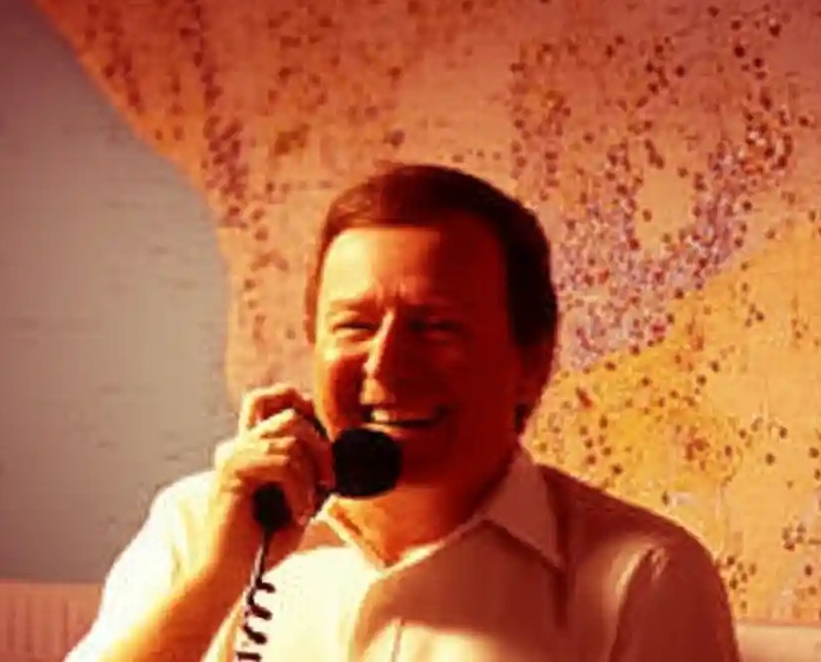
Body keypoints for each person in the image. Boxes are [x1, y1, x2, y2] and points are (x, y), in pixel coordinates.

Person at [65, 164, 740, 661]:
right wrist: (216, 580)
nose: (385, 366)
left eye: (437, 327)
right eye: (355, 326)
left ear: (531, 360)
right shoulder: (198, 524)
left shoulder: (645, 577)